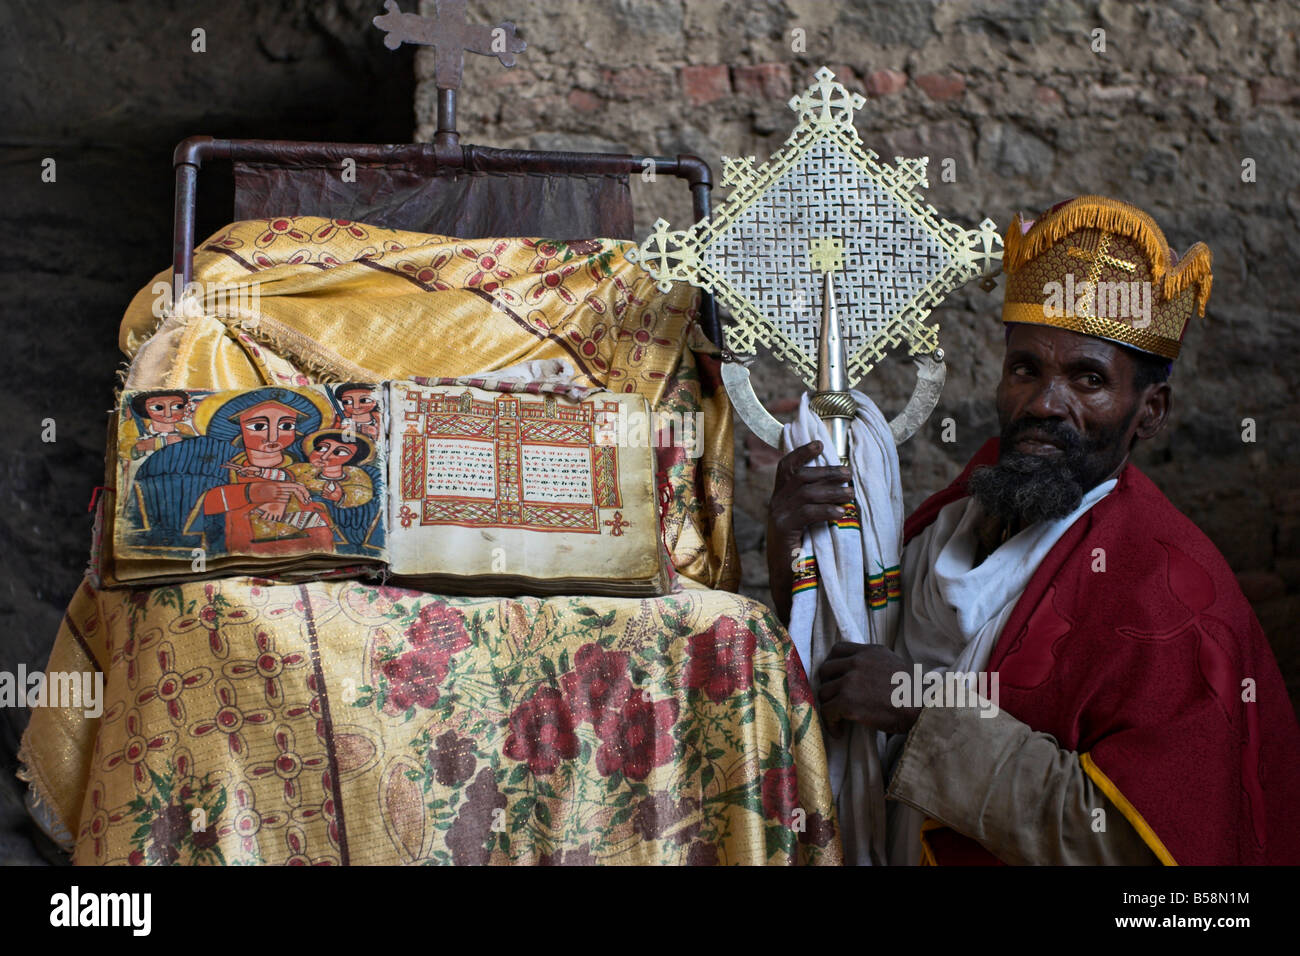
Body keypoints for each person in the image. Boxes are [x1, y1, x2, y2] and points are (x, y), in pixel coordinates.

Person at [767, 195, 1300, 865]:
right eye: (1027, 370)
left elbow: (1122, 848)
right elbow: (853, 658)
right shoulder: (959, 513)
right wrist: (797, 556)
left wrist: (916, 707)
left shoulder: (1170, 599)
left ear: (1150, 410)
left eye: (1088, 380)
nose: (1046, 403)